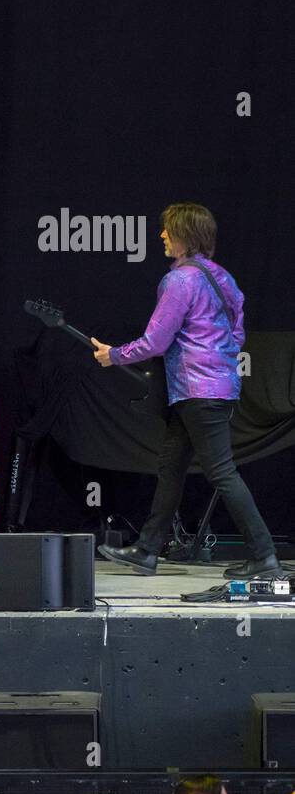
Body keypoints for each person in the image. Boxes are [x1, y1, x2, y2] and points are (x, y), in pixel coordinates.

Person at [92, 203, 279, 579]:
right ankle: (147, 550)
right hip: (217, 388)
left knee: (222, 471)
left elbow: (156, 341)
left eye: (167, 230)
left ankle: (264, 556)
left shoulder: (179, 281)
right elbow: (236, 337)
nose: (161, 235)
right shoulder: (224, 279)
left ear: (184, 236)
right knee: (171, 468)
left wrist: (114, 355)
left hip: (196, 390)